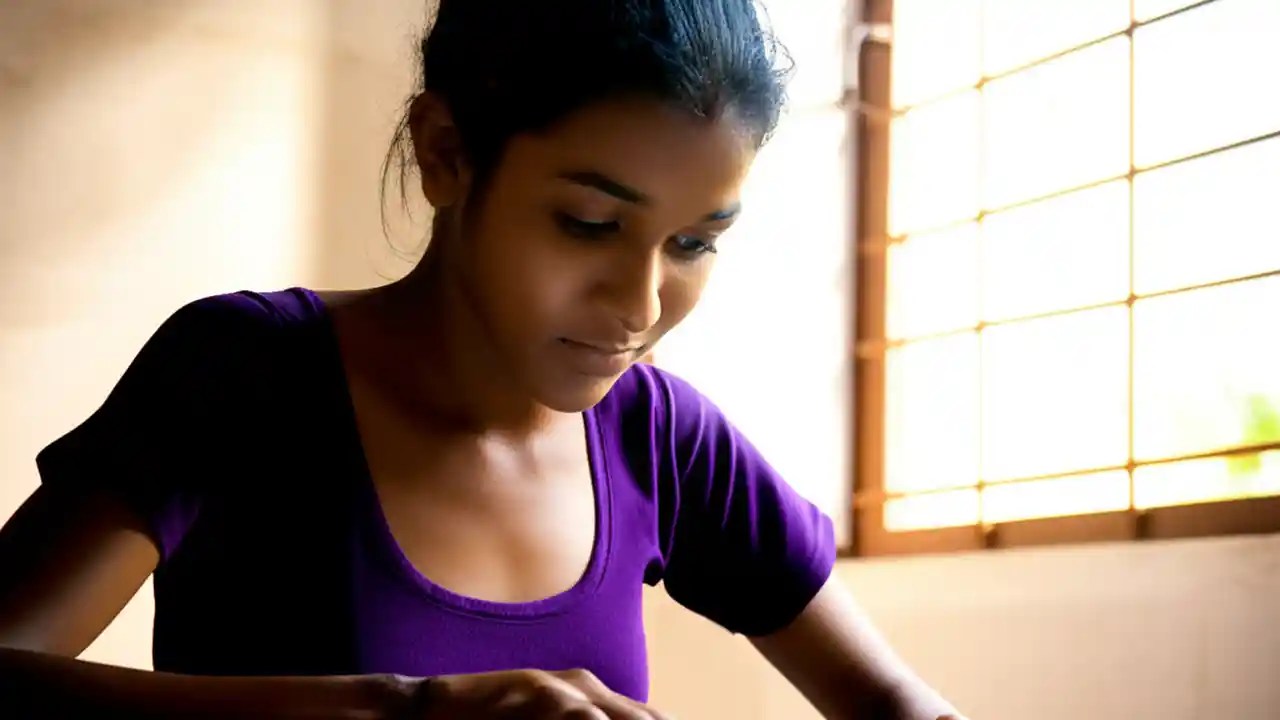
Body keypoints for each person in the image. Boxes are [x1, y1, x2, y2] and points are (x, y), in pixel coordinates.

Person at [0, 1, 965, 718]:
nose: (639, 308)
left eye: (693, 244)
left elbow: (893, 700)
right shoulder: (242, 374)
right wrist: (406, 709)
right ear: (448, 152)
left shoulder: (662, 439)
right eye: (589, 224)